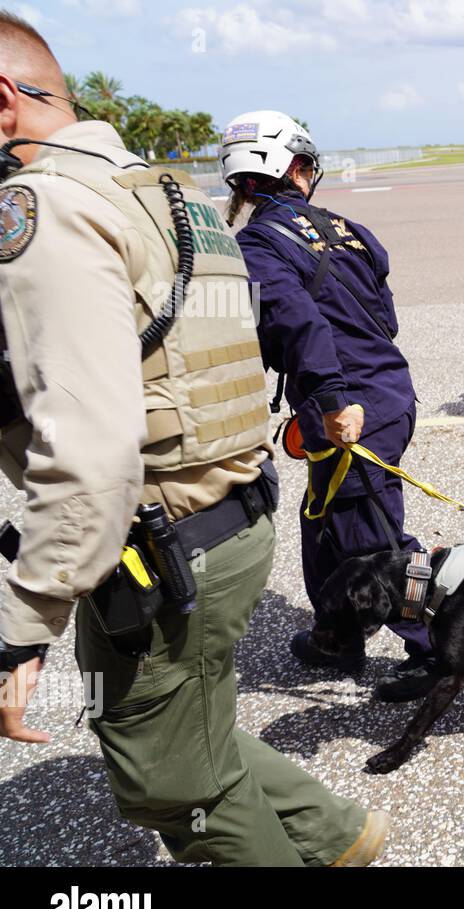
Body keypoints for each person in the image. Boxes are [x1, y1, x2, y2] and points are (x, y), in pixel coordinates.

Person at [0, 12, 386, 865]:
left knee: (167, 781)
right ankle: (337, 833)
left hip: (159, 544)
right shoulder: (167, 196)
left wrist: (20, 627)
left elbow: (86, 446)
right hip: (230, 519)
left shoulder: (43, 206)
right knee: (178, 727)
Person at [220, 111, 435, 703]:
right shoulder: (349, 229)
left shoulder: (258, 244)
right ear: (295, 169)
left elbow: (297, 323)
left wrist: (334, 399)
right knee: (322, 520)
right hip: (379, 395)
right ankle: (338, 634)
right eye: (310, 166)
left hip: (347, 410)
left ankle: (436, 646)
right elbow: (382, 318)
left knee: (375, 544)